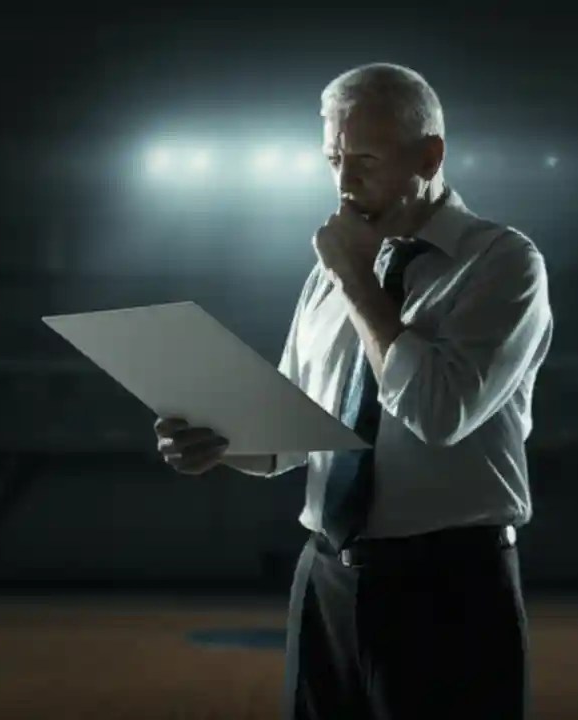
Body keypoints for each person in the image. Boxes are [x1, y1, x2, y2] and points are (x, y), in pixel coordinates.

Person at [154, 62, 553, 719]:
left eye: (363, 157)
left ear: (430, 154)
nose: (342, 181)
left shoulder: (503, 263)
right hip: (325, 579)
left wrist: (359, 282)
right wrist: (215, 443)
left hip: (450, 586)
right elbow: (290, 433)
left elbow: (438, 412)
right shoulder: (331, 270)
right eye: (333, 157)